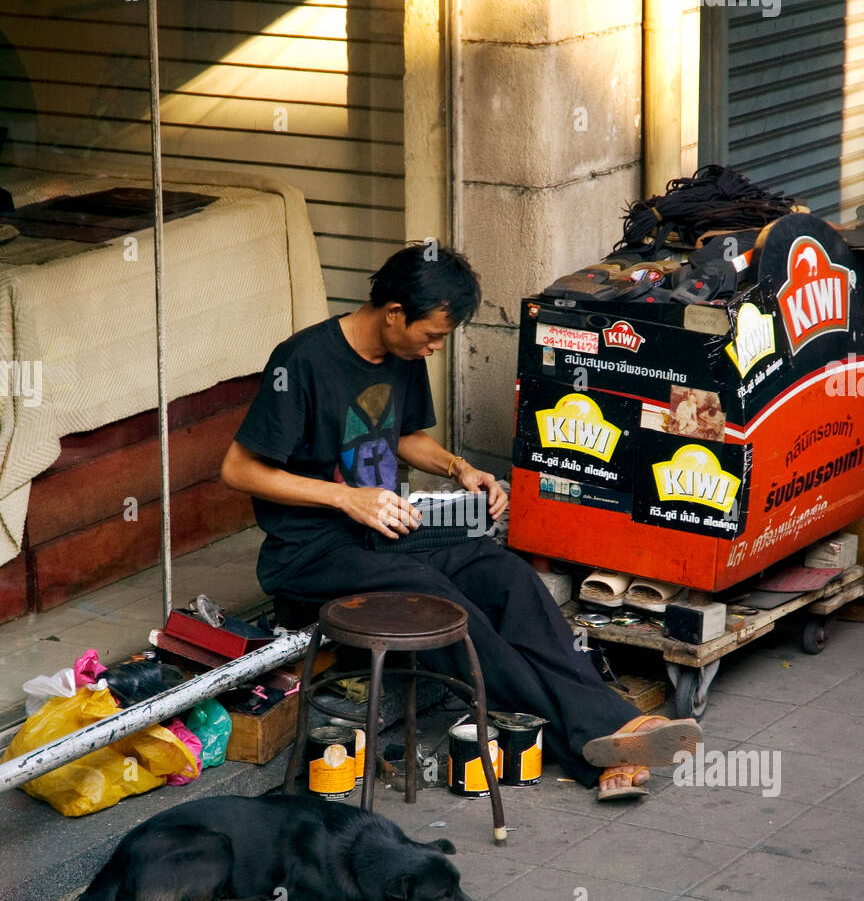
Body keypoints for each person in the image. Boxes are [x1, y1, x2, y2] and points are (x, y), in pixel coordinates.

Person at [221, 244, 702, 799]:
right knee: (441, 599)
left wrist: (460, 467)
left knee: (504, 576)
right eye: (434, 334)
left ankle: (606, 732)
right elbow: (238, 469)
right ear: (395, 312)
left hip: (387, 528)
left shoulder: (403, 356)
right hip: (311, 550)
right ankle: (598, 740)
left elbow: (401, 436)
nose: (436, 346)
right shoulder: (301, 361)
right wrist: (345, 499)